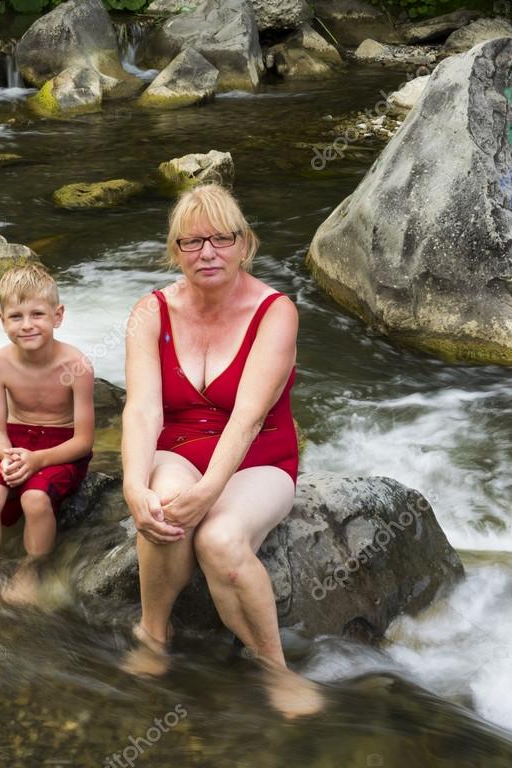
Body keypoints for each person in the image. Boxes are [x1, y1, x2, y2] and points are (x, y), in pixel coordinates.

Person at [120, 183, 321, 717]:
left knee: (222, 541)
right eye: (191, 242)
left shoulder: (275, 312)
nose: (207, 253)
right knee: (162, 512)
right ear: (175, 250)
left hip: (260, 457)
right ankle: (154, 633)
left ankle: (274, 669)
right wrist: (133, 484)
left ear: (244, 243)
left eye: (220, 239)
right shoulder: (150, 313)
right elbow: (142, 410)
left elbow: (250, 416)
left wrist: (210, 491)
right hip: (178, 450)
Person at [0, 263, 95, 608]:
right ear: (2, 321)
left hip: (61, 445)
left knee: (34, 499)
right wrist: (7, 454)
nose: (27, 325)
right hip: (15, 441)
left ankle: (32, 568)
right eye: (16, 316)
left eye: (37, 314)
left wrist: (38, 460)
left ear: (58, 316)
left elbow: (84, 441)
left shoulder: (77, 365)